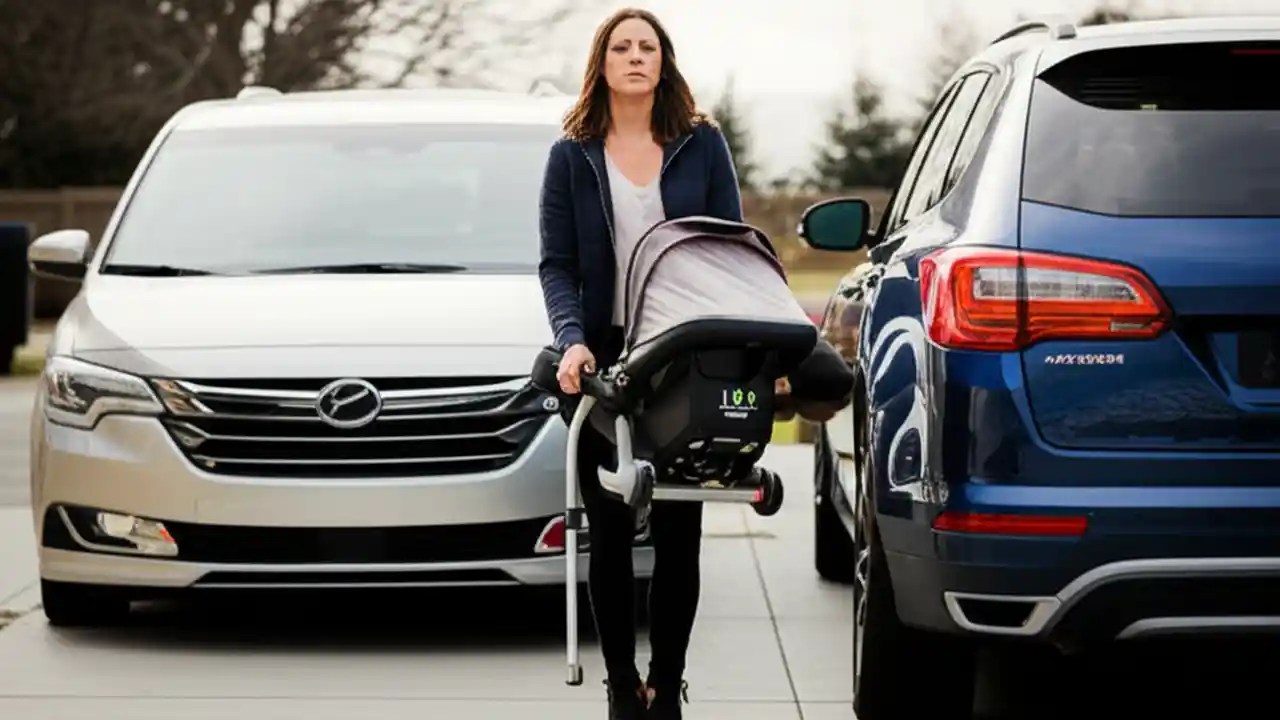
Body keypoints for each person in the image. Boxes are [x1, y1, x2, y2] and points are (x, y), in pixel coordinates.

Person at [536, 7, 743, 719]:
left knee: (681, 527)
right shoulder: (572, 153)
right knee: (612, 529)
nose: (634, 57)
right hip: (605, 360)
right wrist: (571, 340)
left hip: (684, 356)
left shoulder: (701, 144)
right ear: (602, 63)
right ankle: (623, 686)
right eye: (620, 47)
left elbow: (729, 249)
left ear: (663, 61)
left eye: (646, 47)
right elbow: (557, 265)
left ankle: (668, 683)